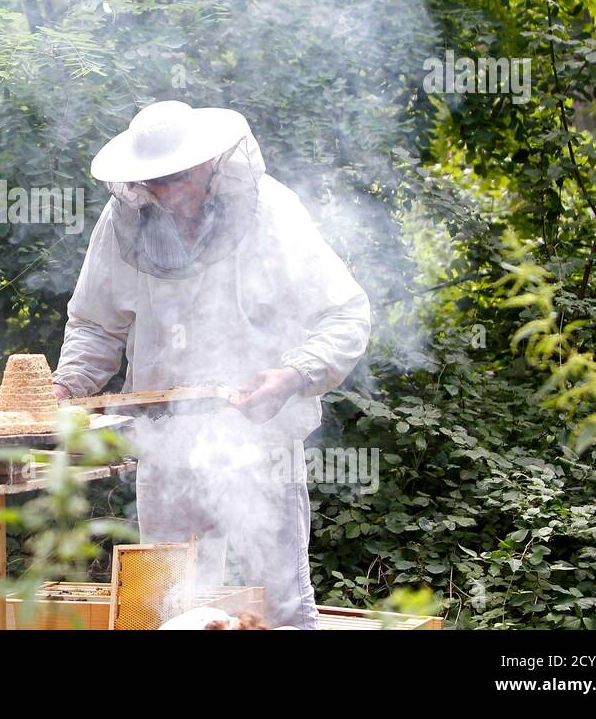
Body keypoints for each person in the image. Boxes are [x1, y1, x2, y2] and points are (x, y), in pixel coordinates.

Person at [52, 101, 370, 629]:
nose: (164, 193)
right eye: (152, 182)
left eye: (176, 178)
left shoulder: (272, 211)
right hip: (164, 444)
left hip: (260, 444)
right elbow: (94, 325)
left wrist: (292, 376)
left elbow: (345, 314)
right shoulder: (122, 223)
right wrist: (66, 386)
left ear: (208, 166)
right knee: (167, 608)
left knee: (282, 604)